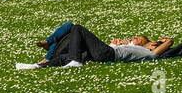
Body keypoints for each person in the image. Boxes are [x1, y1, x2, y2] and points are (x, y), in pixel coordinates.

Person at [17, 22, 173, 69]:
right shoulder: (136, 48)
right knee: (65, 55)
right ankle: (37, 66)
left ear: (151, 44)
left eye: (138, 38)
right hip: (103, 53)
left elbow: (155, 53)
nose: (133, 38)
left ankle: (75, 60)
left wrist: (169, 41)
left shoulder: (147, 52)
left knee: (77, 28)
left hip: (108, 54)